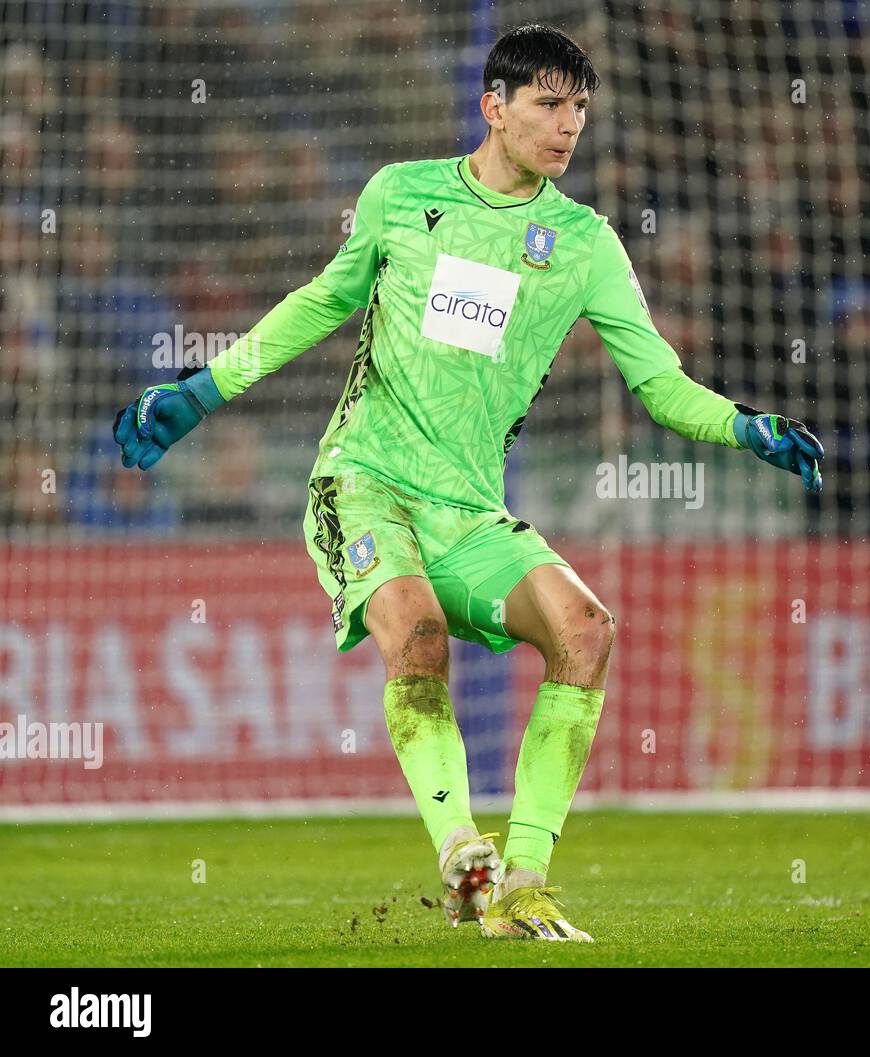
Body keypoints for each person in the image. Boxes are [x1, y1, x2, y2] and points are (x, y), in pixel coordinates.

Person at [111, 24, 823, 943]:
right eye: (548, 104)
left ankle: (525, 882)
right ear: (495, 106)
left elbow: (658, 383)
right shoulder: (401, 195)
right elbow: (327, 299)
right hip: (363, 481)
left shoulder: (583, 243)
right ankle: (462, 855)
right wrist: (202, 390)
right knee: (416, 634)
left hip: (468, 510)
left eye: (579, 110)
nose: (568, 127)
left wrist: (744, 426)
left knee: (585, 629)